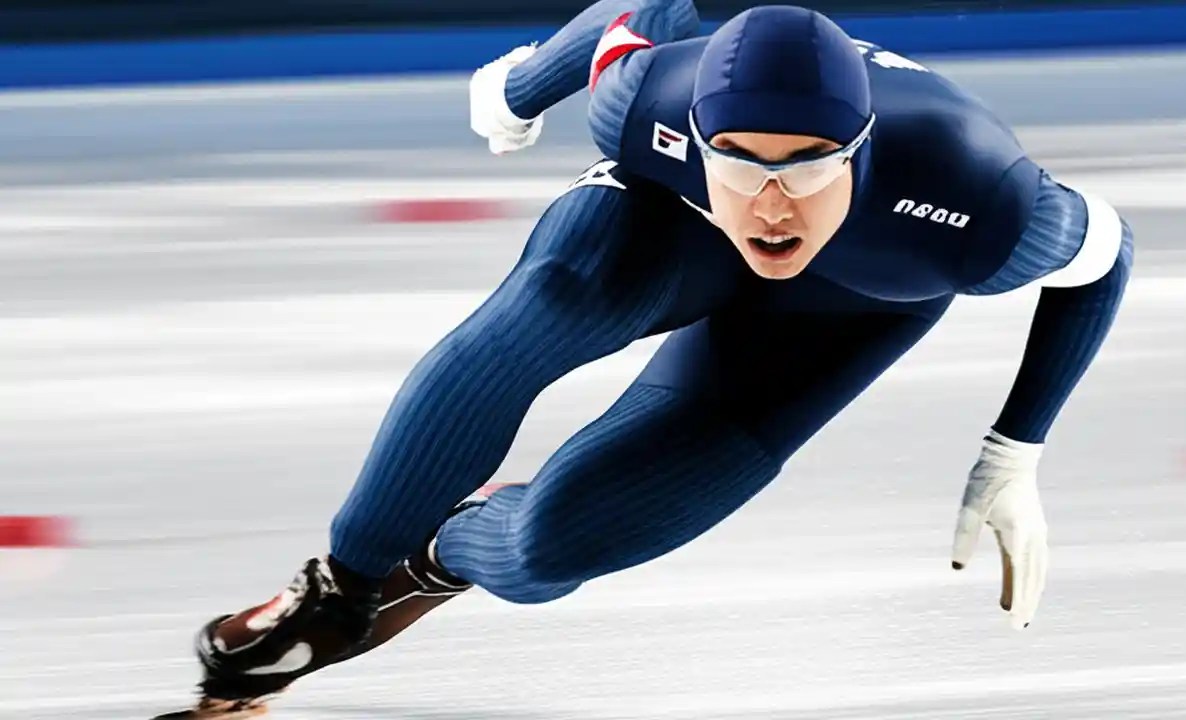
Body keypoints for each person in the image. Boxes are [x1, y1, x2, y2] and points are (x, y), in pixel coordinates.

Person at [156, 2, 1133, 717]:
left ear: (864, 148)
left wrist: (1015, 448)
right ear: (696, 135)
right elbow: (635, 20)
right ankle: (334, 593)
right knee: (537, 314)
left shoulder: (979, 198)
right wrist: (519, 84)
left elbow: (1103, 254)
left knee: (550, 552)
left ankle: (438, 556)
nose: (772, 200)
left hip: (841, 318)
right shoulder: (645, 107)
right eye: (743, 161)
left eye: (805, 166)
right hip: (669, 232)